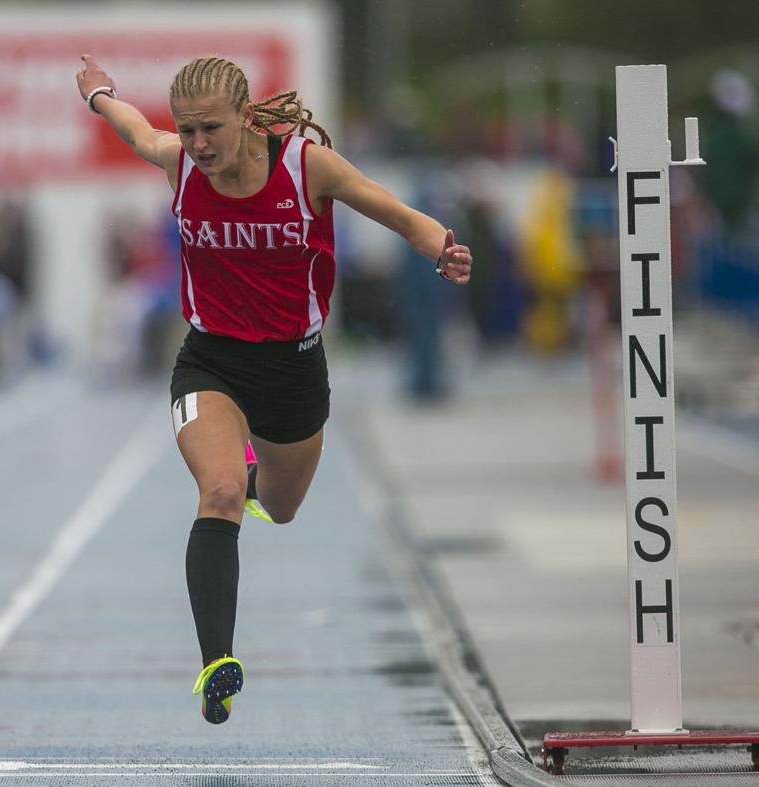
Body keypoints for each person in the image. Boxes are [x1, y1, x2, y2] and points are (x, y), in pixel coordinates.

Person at [74, 54, 472, 724]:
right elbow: (136, 129)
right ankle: (216, 665)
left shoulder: (305, 166)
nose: (198, 145)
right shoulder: (177, 165)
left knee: (279, 506)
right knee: (221, 491)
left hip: (294, 367)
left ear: (245, 118)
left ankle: (258, 477)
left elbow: (397, 213)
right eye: (189, 130)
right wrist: (101, 94)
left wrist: (441, 247)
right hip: (211, 362)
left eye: (211, 129)